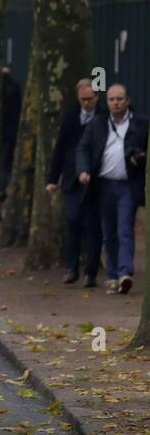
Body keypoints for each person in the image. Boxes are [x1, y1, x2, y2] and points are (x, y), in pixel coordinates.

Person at [76, 83, 149, 295]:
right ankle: (113, 274)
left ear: (127, 101)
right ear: (107, 102)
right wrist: (83, 170)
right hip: (103, 185)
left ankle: (125, 272)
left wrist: (139, 158)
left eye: (119, 99)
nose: (115, 103)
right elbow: (83, 148)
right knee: (109, 233)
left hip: (127, 185)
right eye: (111, 99)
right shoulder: (98, 124)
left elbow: (145, 149)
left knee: (125, 228)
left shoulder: (141, 123)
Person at [46, 78, 103, 288]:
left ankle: (91, 271)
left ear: (97, 97)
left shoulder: (103, 117)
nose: (86, 103)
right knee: (72, 220)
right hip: (71, 178)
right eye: (82, 100)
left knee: (92, 226)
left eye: (90, 99)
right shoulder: (70, 117)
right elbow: (60, 148)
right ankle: (72, 268)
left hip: (95, 180)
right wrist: (53, 179)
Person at [0, 66, 23, 201]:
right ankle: (3, 187)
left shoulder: (3, 90)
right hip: (10, 132)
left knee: (4, 162)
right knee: (6, 162)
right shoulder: (14, 89)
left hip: (5, 132)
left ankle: (2, 187)